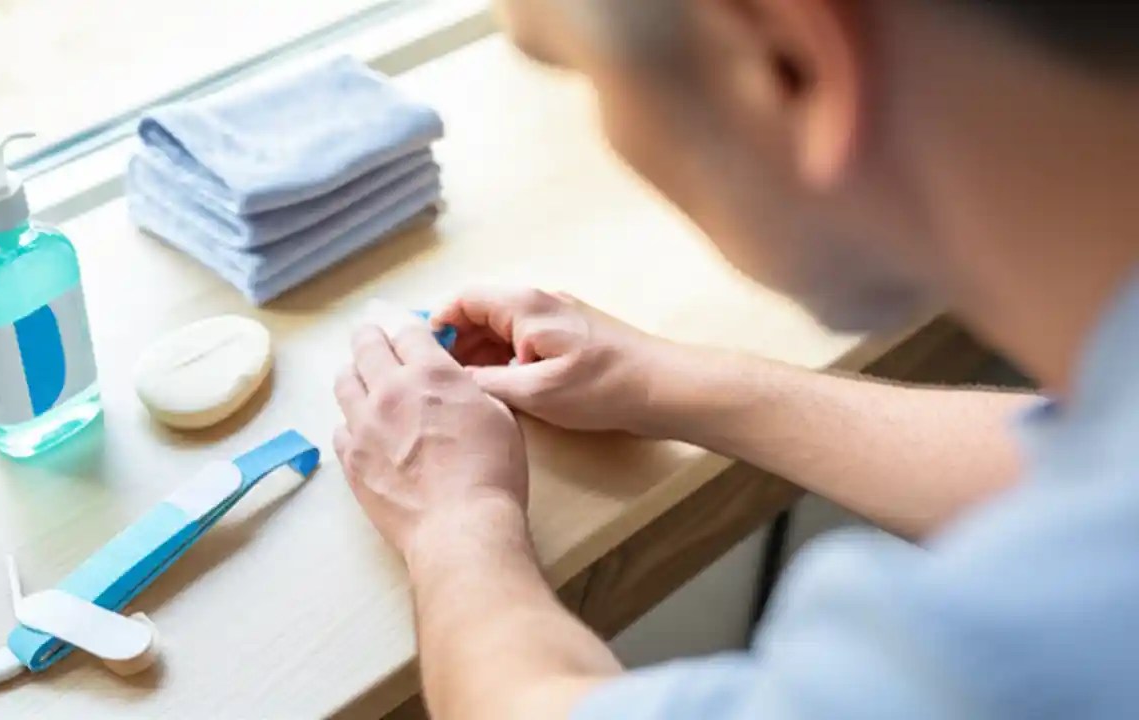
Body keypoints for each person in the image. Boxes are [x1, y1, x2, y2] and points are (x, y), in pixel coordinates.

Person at [332, 0, 1139, 717]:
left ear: (786, 63)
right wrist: (674, 382)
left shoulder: (993, 655)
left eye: (580, 75)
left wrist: (456, 522)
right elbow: (1080, 462)